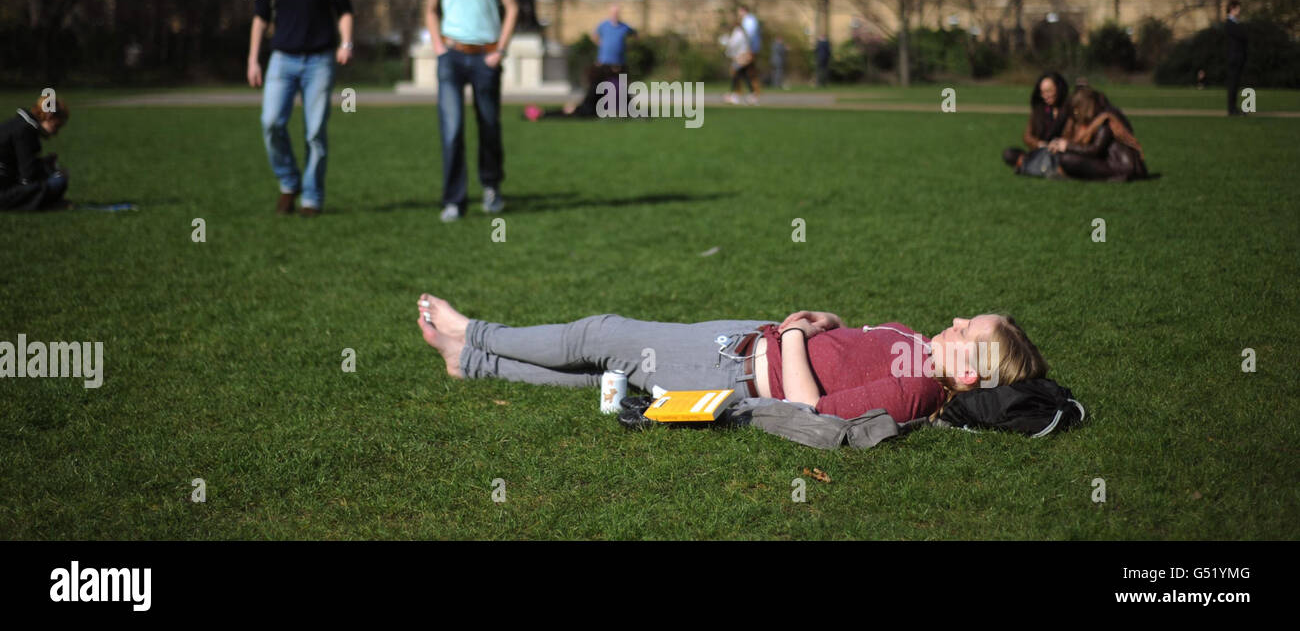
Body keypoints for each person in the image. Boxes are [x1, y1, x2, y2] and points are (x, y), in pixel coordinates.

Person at [415, 295, 1048, 425]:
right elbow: (850, 342)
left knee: (601, 335)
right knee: (608, 374)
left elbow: (811, 410)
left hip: (735, 370)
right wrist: (823, 324)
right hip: (745, 337)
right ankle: (468, 362)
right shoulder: (912, 342)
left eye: (969, 330)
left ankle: (471, 330)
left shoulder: (915, 393)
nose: (958, 319)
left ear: (968, 374)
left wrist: (796, 338)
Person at [247, 0, 354, 217]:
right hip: (282, 61)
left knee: (315, 132)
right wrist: (253, 59)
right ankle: (288, 181)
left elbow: (345, 10)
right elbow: (260, 18)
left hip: (319, 61)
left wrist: (346, 43)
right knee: (271, 123)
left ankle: (311, 197)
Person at [425, 0, 519, 222]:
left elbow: (512, 7)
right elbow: (430, 8)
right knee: (451, 129)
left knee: (489, 126)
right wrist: (438, 45)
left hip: (485, 56)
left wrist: (501, 49)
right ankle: (454, 200)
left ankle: (491, 187)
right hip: (451, 56)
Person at [1048, 87, 1148, 181]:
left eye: (1077, 108)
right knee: (1066, 158)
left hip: (1121, 167)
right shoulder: (1094, 121)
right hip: (1113, 164)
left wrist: (1067, 146)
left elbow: (1095, 150)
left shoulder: (1104, 121)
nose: (1075, 112)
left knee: (1068, 159)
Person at [0, 97, 70, 211]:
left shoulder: (16, 124)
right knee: (59, 180)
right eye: (56, 126)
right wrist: (47, 167)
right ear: (49, 116)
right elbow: (28, 177)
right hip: (3, 193)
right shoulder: (25, 131)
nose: (56, 133)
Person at [1001, 71, 1069, 174]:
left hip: (1060, 150)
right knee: (1009, 154)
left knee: (1066, 159)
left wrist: (1060, 144)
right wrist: (1039, 144)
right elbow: (1027, 136)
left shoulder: (1069, 109)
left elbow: (1073, 135)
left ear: (1059, 89)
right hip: (1042, 149)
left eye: (1049, 91)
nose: (1046, 96)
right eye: (1043, 92)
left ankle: (1032, 167)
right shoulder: (1039, 110)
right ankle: (1034, 165)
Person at [722, 20, 754, 105]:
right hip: (741, 56)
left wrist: (726, 42)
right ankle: (751, 94)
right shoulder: (741, 33)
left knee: (736, 74)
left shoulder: (738, 33)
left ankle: (735, 95)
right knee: (743, 75)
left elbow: (733, 44)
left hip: (741, 57)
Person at [1225, 0, 1247, 116]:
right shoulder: (1230, 24)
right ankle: (1232, 109)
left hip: (1237, 57)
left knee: (1235, 84)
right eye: (1238, 8)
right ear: (1232, 9)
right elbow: (1242, 37)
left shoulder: (1234, 23)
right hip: (1234, 58)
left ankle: (1233, 108)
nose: (1239, 11)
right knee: (1233, 84)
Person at [738, 4, 762, 102]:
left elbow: (749, 36)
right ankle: (753, 93)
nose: (738, 13)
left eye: (739, 11)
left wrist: (746, 50)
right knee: (747, 70)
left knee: (745, 69)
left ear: (744, 11)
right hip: (748, 48)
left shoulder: (749, 20)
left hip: (749, 49)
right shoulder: (747, 20)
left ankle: (753, 93)